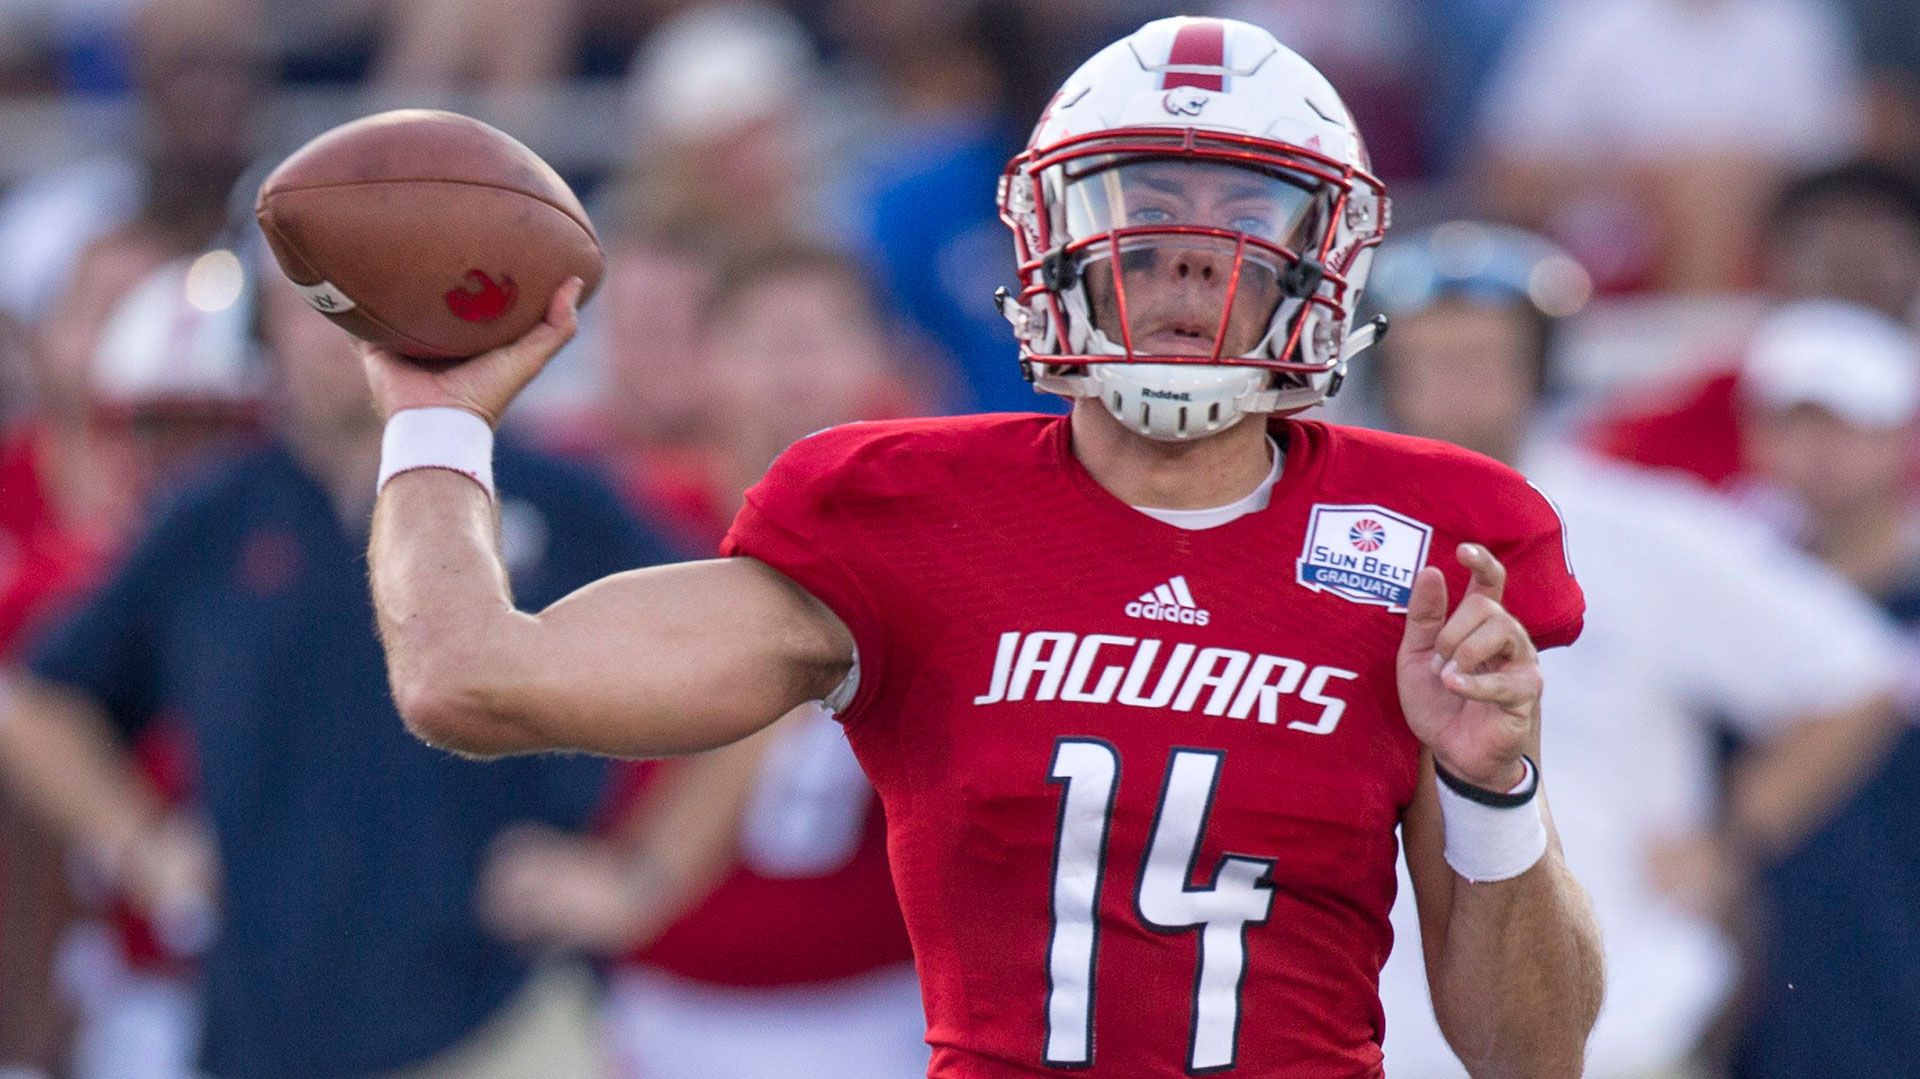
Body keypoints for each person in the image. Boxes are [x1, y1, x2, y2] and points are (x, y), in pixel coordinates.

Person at [361, 17, 1603, 1078]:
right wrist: (435, 417)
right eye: (1145, 207)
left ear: (1324, 256)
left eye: (1247, 213)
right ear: (1051, 237)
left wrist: (1498, 789)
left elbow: (1530, 1052)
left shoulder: (1439, 541)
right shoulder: (906, 511)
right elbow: (468, 675)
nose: (1187, 254)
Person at [0, 264, 677, 1079]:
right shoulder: (213, 518)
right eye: (313, 306)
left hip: (505, 1020)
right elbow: (37, 706)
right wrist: (143, 845)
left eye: (368, 304)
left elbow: (758, 666)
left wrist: (643, 876)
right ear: (266, 330)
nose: (339, 337)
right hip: (266, 1033)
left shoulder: (551, 497)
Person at [1360, 224, 1903, 1079]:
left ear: (1539, 370)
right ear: (1385, 375)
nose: (1457, 388)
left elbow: (1859, 675)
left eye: (1485, 359)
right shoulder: (1328, 537)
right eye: (1431, 360)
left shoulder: (1639, 527)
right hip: (1373, 1035)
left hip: (1619, 1030)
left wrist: (1730, 834)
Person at [483, 245, 926, 1079]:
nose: (796, 367)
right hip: (668, 1002)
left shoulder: (937, 536)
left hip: (889, 1004)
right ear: (707, 360)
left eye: (824, 334)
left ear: (877, 356)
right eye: (765, 338)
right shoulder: (639, 527)